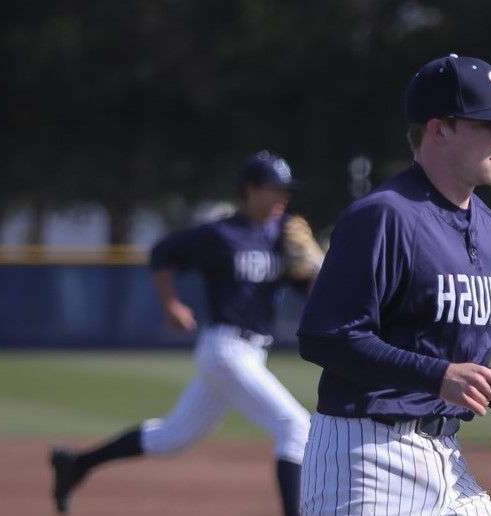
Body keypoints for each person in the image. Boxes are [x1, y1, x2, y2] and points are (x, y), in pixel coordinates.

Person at [296, 53, 491, 515]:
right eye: (486, 122)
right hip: (367, 459)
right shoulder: (385, 215)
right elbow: (324, 336)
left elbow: (440, 352)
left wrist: (487, 389)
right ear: (438, 129)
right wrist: (438, 376)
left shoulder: (486, 226)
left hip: (446, 458)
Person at [49, 150, 325, 516]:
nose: (283, 197)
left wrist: (316, 270)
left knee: (170, 439)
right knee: (295, 427)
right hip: (226, 348)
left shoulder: (284, 236)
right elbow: (162, 253)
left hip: (251, 352)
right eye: (275, 189)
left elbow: (311, 290)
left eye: (286, 190)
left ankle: (77, 463)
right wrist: (170, 305)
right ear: (250, 189)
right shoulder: (220, 234)